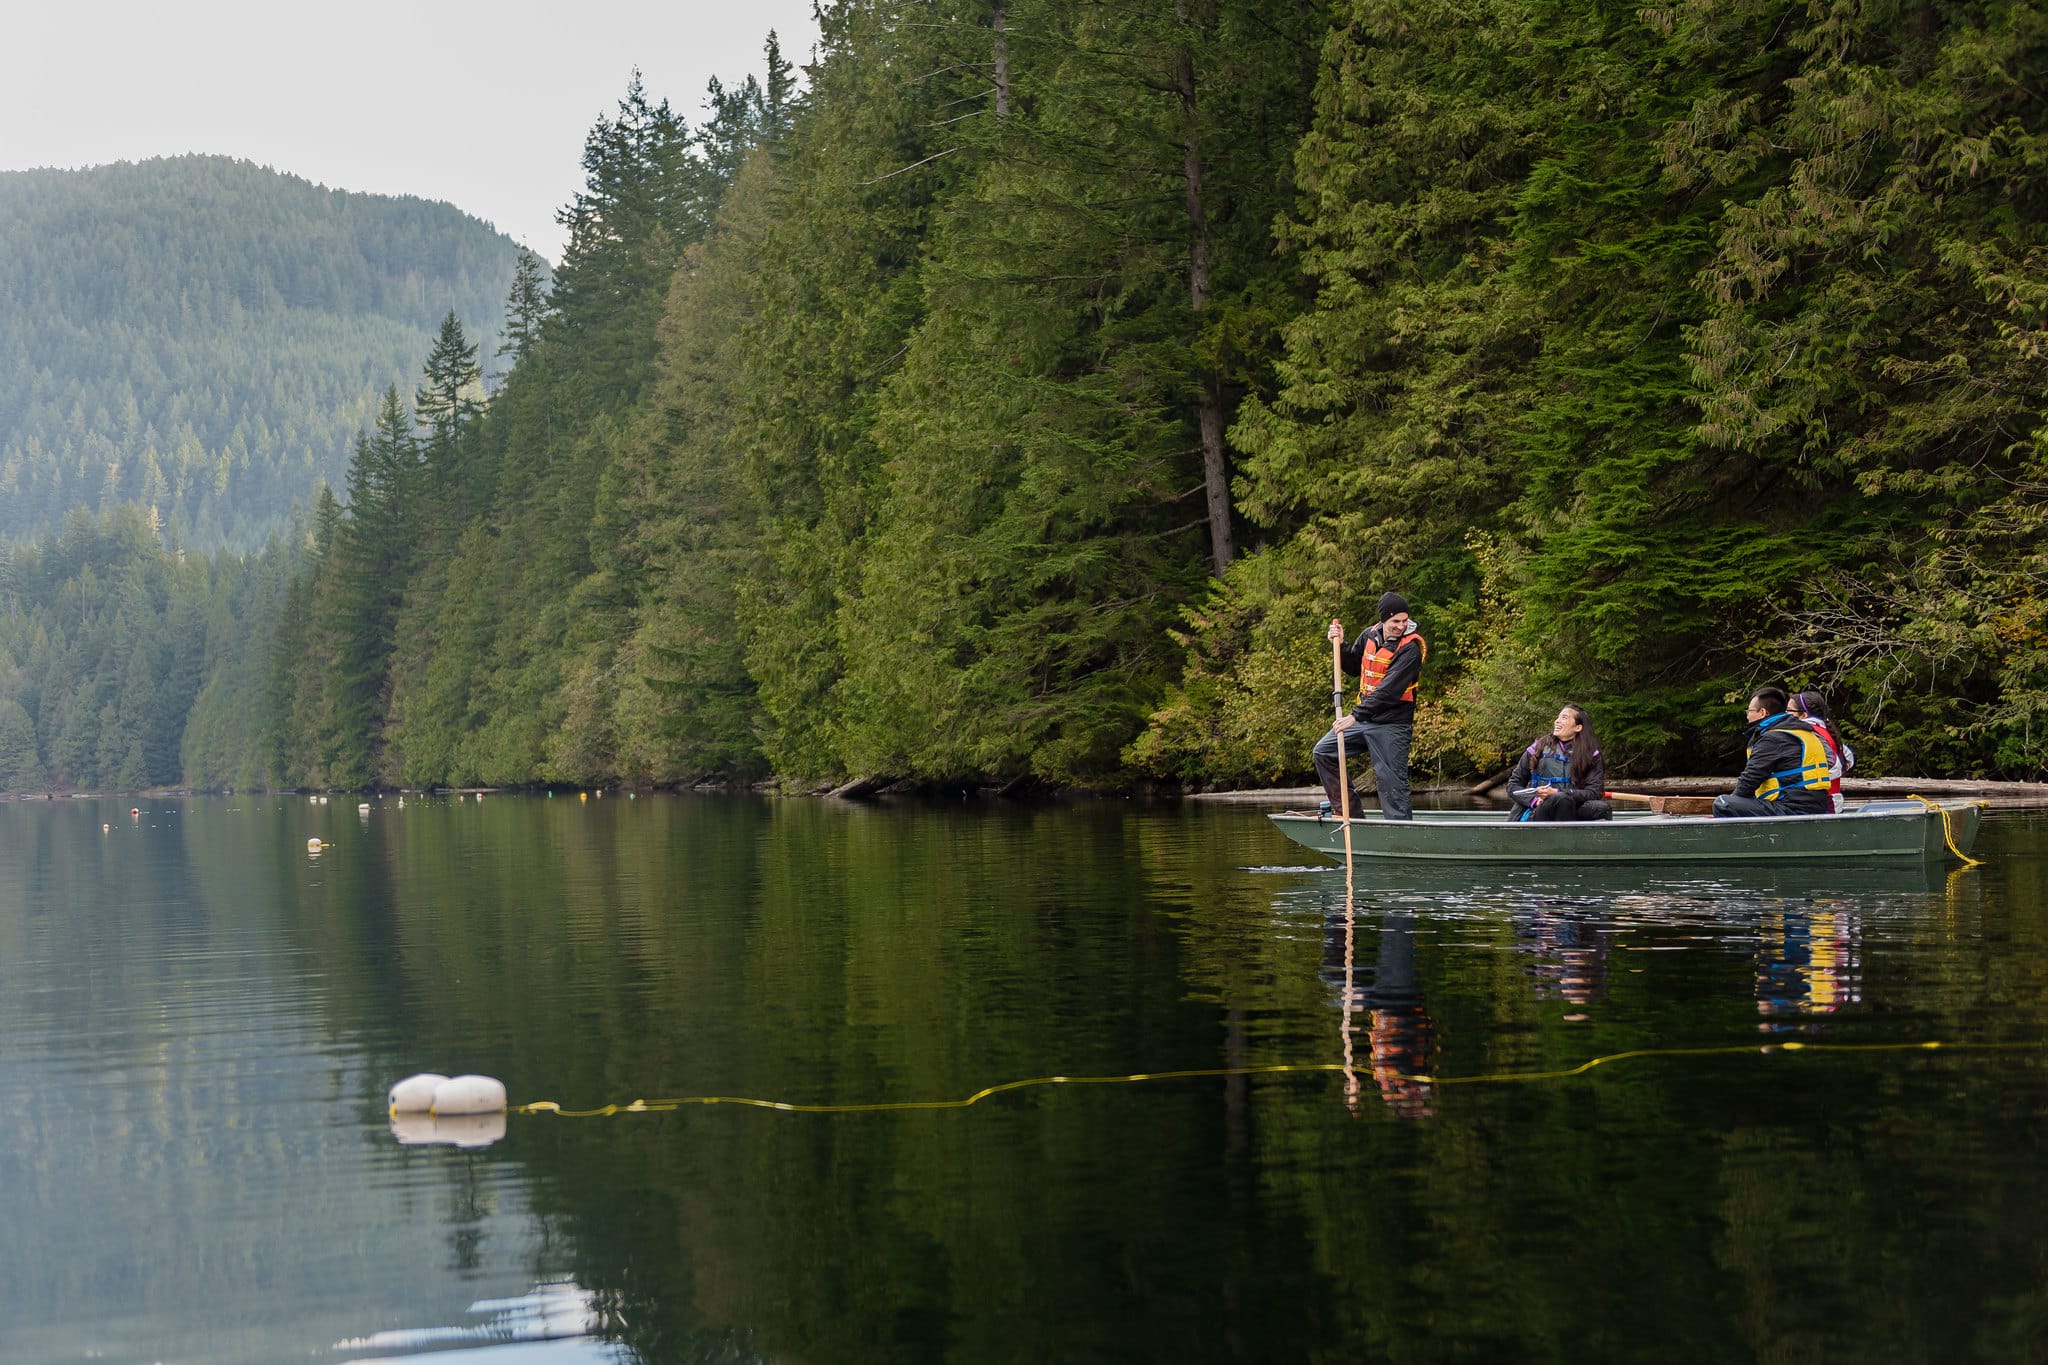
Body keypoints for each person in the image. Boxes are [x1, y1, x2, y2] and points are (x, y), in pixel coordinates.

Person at [1316, 593, 1426, 821]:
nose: (1401, 626)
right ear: (1384, 619)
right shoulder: (1370, 635)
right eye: (1396, 621)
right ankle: (1349, 814)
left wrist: (1355, 716)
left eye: (1405, 621)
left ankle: (1399, 835)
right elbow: (1353, 666)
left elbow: (1388, 692)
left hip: (1392, 725)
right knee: (1324, 751)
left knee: (1391, 781)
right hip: (1365, 720)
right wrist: (1340, 645)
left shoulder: (1410, 649)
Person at [1711, 686, 1833, 817]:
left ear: (1763, 712)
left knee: (1723, 803)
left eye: (1749, 711)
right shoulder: (1800, 731)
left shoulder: (1773, 738)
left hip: (1792, 808)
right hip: (1812, 806)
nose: (1747, 716)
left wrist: (1733, 802)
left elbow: (1750, 778)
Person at [1506, 704, 1612, 822]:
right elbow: (1513, 786)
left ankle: (1588, 838)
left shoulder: (1590, 754)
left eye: (1564, 718)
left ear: (1578, 727)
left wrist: (1558, 792)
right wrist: (1534, 800)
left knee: (1602, 808)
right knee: (1561, 799)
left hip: (1571, 807)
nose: (1557, 721)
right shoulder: (1538, 747)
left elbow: (1594, 793)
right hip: (1539, 809)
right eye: (1558, 717)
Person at [1789, 690, 1854, 812]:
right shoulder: (1824, 730)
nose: (1785, 714)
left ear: (1803, 715)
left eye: (1789, 710)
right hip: (1831, 800)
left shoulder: (1809, 734)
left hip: (1823, 803)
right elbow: (1848, 760)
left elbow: (1834, 766)